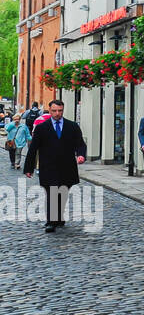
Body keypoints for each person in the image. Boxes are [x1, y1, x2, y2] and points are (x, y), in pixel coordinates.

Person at [22, 99, 86, 233]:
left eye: (60, 111)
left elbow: (80, 143)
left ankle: (59, 217)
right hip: (48, 167)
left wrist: (81, 155)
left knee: (62, 193)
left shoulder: (72, 126)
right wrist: (29, 168)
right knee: (51, 193)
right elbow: (33, 148)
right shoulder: (41, 128)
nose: (57, 113)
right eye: (54, 111)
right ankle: (51, 221)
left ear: (63, 110)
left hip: (67, 166)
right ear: (50, 110)